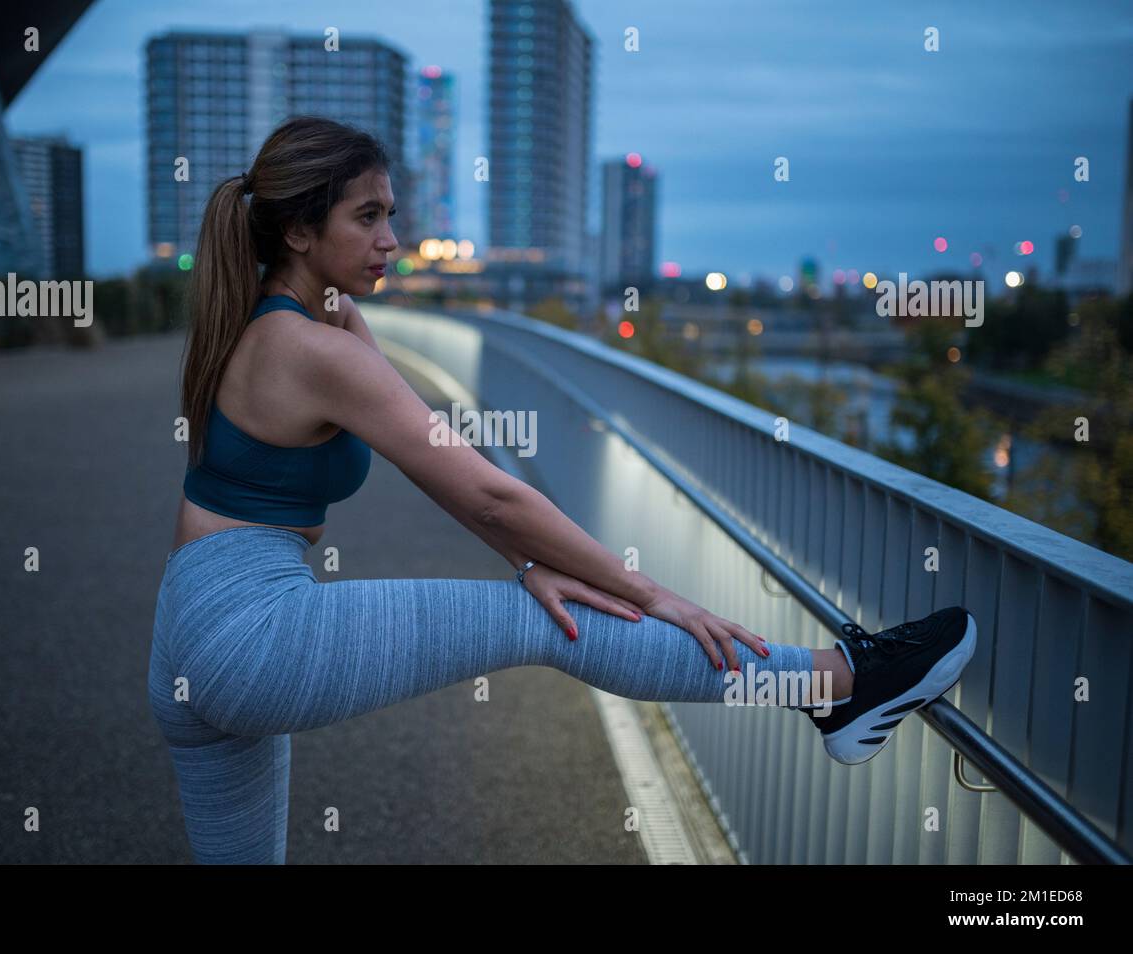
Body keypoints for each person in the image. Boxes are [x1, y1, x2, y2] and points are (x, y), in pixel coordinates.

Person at [147, 115, 977, 864]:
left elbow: (447, 474)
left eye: (392, 215)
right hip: (250, 636)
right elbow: (491, 493)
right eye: (368, 217)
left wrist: (525, 558)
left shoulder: (298, 320)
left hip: (188, 628)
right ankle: (834, 686)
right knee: (553, 623)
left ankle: (832, 688)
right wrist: (652, 594)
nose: (392, 239)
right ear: (298, 229)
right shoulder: (316, 349)